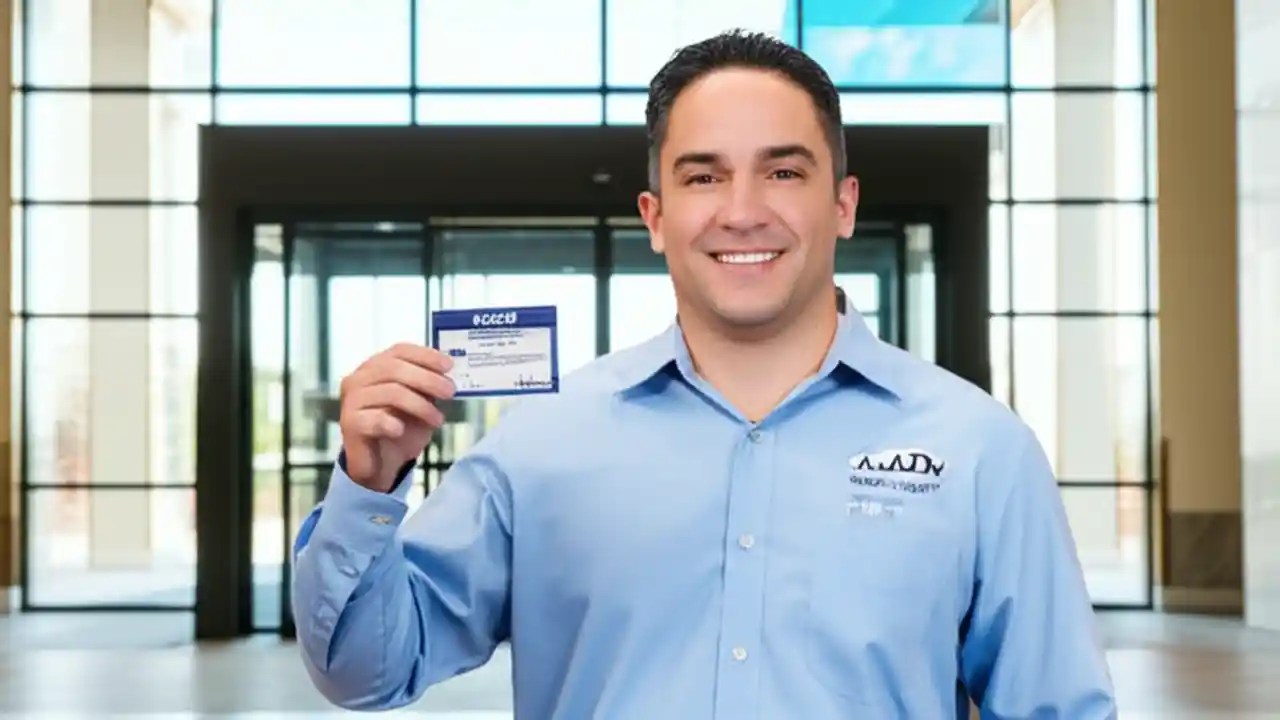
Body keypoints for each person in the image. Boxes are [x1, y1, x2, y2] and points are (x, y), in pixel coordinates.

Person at [291, 29, 1118, 719]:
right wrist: (368, 485)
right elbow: (369, 671)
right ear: (656, 216)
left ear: (843, 204)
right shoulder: (540, 445)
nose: (743, 211)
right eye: (703, 176)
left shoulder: (980, 450)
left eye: (783, 172)